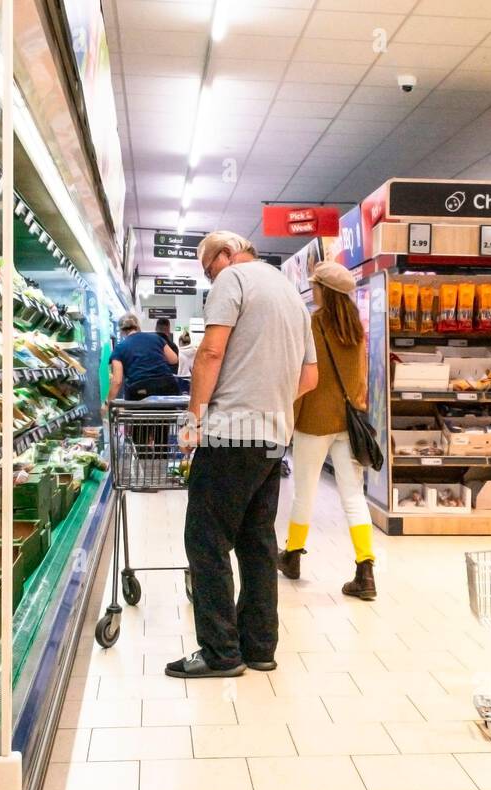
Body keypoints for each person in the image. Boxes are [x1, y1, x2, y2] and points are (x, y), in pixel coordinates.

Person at [166, 231, 318, 679]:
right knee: (256, 543)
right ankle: (259, 648)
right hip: (273, 439)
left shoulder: (232, 281)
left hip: (229, 436)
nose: (210, 277)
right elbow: (310, 377)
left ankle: (220, 652)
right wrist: (268, 399)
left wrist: (193, 421)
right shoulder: (291, 294)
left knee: (206, 541)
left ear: (227, 254)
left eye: (208, 268)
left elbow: (211, 352)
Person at [278, 261, 376, 600]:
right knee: (353, 496)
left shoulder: (312, 324)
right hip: (349, 423)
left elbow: (303, 378)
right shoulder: (357, 330)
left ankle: (292, 556)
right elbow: (361, 380)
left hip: (314, 422)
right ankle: (365, 570)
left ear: (324, 291)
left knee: (304, 492)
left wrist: (290, 421)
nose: (312, 290)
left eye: (315, 286)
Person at [107, 313, 180, 401]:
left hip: (139, 391)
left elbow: (117, 381)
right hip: (168, 387)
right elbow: (174, 360)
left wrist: (107, 404)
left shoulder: (119, 348)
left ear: (121, 331)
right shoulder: (156, 338)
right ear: (138, 326)